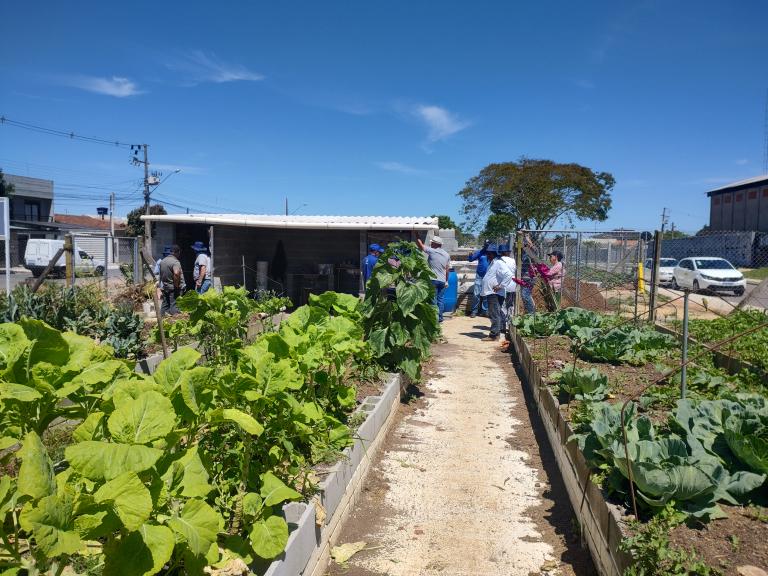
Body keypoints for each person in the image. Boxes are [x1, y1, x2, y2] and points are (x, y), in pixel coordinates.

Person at [480, 244, 513, 341]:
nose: (487, 256)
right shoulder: (493, 263)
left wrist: (500, 286)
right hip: (492, 292)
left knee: (494, 313)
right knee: (495, 313)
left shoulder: (499, 263)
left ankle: (494, 335)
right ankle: (495, 333)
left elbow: (508, 275)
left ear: (493, 254)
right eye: (487, 254)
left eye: (488, 254)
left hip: (495, 292)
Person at [416, 235, 451, 323]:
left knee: (433, 300)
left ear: (435, 244)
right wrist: (447, 281)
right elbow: (447, 270)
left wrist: (416, 234)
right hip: (443, 281)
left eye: (432, 242)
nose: (431, 244)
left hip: (433, 280)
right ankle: (440, 318)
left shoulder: (432, 251)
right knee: (440, 300)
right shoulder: (447, 255)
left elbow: (420, 245)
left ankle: (434, 319)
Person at [159, 245, 183, 316]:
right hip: (173, 287)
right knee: (174, 305)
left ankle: (161, 319)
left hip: (165, 286)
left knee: (165, 304)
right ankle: (174, 321)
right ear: (177, 252)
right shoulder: (175, 262)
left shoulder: (163, 261)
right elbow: (176, 273)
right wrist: (176, 286)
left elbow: (160, 274)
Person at [468, 241, 490, 317]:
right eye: (486, 246)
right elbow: (471, 259)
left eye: (488, 246)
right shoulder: (480, 252)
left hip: (488, 276)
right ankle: (474, 311)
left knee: (486, 294)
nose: (486, 247)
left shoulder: (492, 253)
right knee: (476, 294)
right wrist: (470, 254)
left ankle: (485, 310)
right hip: (479, 276)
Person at [497, 244, 517, 325]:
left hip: (502, 285)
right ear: (507, 252)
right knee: (510, 304)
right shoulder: (513, 260)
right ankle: (509, 323)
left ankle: (502, 325)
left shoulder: (498, 260)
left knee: (502, 305)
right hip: (512, 285)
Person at [520, 235, 537, 314]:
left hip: (530, 277)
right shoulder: (522, 252)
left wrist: (527, 238)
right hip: (523, 277)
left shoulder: (532, 252)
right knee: (525, 295)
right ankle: (529, 311)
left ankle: (531, 313)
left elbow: (534, 250)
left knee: (525, 295)